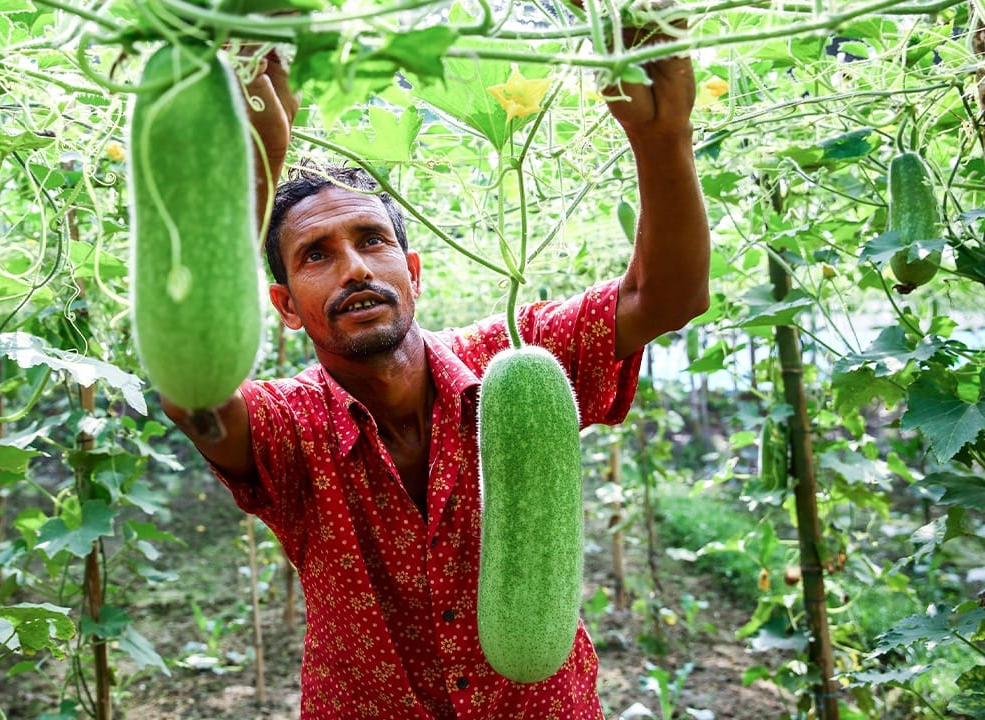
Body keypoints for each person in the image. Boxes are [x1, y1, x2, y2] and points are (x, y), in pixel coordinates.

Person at [162, 34, 710, 720]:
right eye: (316, 255)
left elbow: (664, 298)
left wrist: (664, 138)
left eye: (371, 240)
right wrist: (252, 175)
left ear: (412, 272)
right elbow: (192, 395)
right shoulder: (288, 425)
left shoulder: (517, 357)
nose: (355, 268)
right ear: (284, 308)